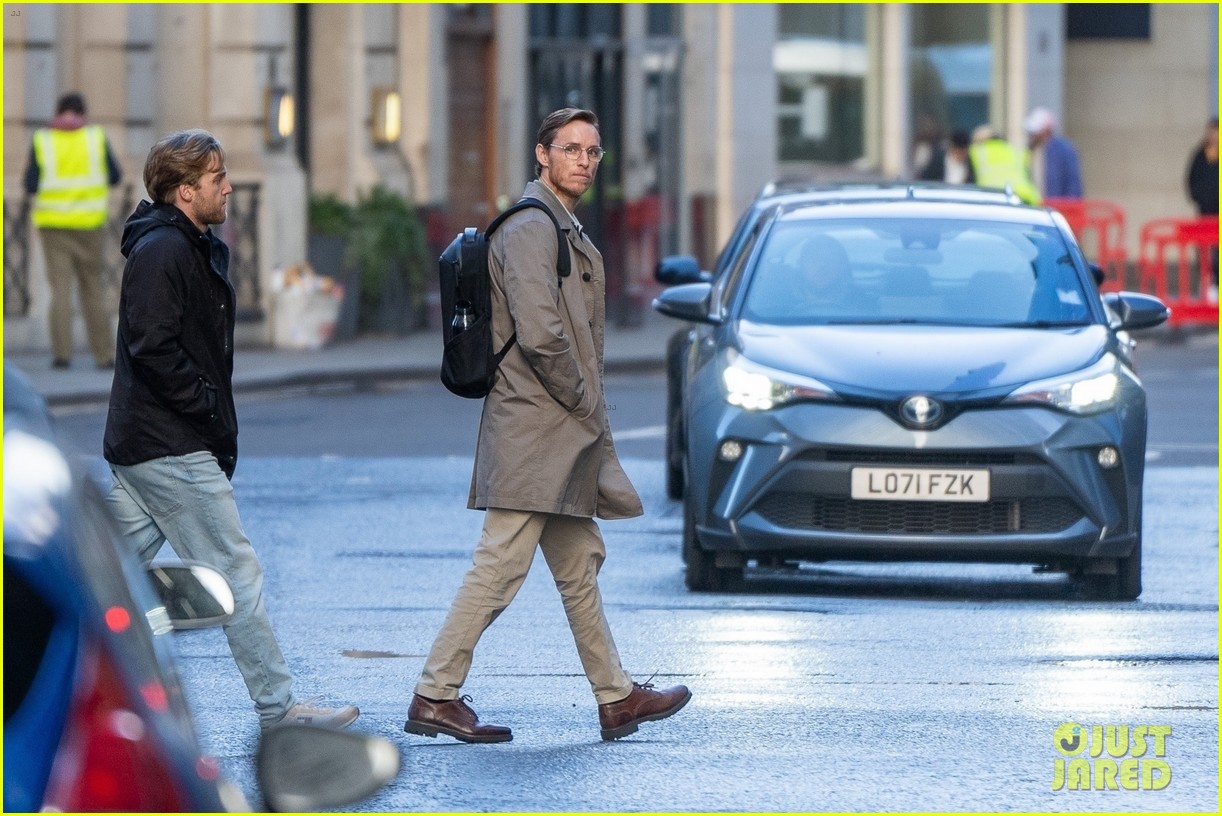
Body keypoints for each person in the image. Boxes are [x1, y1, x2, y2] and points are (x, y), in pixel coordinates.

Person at [404, 108, 692, 744]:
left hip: (557, 429)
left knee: (578, 562)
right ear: (542, 155)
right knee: (501, 565)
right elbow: (543, 332)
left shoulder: (560, 226)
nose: (584, 161)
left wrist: (581, 407)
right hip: (539, 425)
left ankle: (616, 698)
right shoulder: (533, 228)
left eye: (593, 150)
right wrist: (582, 398)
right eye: (571, 149)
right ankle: (434, 693)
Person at [102, 129, 358, 731]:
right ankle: (279, 710)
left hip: (149, 444)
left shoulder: (185, 244)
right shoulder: (164, 252)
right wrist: (209, 409)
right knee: (232, 571)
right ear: (186, 191)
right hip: (172, 447)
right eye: (218, 177)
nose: (228, 186)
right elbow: (153, 348)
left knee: (97, 576)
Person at [22, 92, 122, 370]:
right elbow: (115, 176)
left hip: (54, 226)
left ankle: (62, 354)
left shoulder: (43, 140)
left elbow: (30, 183)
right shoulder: (96, 138)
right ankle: (103, 355)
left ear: (57, 112)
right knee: (93, 290)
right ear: (83, 113)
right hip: (90, 225)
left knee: (61, 291)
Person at [968, 125, 1041, 206]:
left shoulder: (976, 152)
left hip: (992, 197)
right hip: (1025, 197)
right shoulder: (1016, 151)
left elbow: (969, 183)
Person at [1024, 107, 1084, 199]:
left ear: (1046, 131)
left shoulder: (1064, 151)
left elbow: (1073, 184)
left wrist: (1068, 207)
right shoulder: (1029, 151)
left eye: (1035, 132)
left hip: (1057, 206)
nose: (1031, 135)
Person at [1186, 117, 1218, 216]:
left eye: (1216, 132)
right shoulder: (1200, 155)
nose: (1213, 136)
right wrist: (1197, 196)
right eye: (1210, 132)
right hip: (1205, 207)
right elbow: (1192, 176)